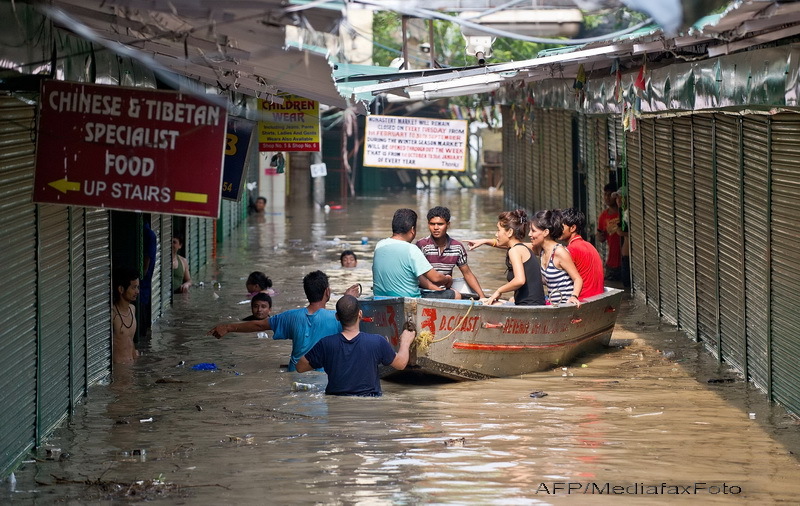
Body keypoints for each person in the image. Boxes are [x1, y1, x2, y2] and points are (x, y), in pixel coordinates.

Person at [208, 271, 360, 371]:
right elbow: (352, 323)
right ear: (327, 292)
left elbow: (259, 324)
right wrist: (348, 300)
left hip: (295, 375)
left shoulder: (291, 316)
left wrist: (227, 327)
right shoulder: (337, 318)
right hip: (323, 378)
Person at [296, 295, 415, 396]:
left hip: (337, 409)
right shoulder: (377, 342)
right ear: (360, 314)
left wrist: (323, 357)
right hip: (369, 405)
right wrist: (405, 341)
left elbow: (300, 367)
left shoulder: (326, 344)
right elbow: (401, 364)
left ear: (337, 317)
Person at [467, 210, 545, 306]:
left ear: (510, 232)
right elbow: (503, 245)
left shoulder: (514, 251)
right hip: (535, 304)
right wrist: (484, 241)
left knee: (488, 303)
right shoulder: (520, 247)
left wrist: (499, 291)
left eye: (499, 230)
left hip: (529, 306)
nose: (496, 234)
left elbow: (520, 280)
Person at [372, 208, 453, 298]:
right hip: (409, 300)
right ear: (412, 230)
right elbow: (436, 278)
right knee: (456, 295)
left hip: (379, 298)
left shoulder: (379, 245)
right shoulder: (411, 249)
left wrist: (435, 288)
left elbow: (417, 275)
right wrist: (447, 279)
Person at [416, 206, 483, 299]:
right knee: (456, 296)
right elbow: (416, 275)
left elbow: (467, 273)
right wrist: (437, 289)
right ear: (428, 224)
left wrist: (482, 297)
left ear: (448, 224)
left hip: (445, 290)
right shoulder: (421, 245)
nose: (435, 228)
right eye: (432, 224)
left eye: (440, 224)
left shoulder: (457, 247)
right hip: (423, 291)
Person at [530, 210, 583, 306]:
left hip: (564, 306)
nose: (529, 234)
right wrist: (495, 243)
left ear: (546, 232)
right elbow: (517, 245)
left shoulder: (559, 252)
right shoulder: (541, 250)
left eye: (533, 231)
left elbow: (577, 279)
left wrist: (574, 296)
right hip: (552, 305)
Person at [560, 208, 604, 300]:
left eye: (561, 226)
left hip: (581, 300)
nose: (557, 229)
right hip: (597, 299)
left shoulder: (571, 250)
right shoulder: (589, 246)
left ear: (572, 228)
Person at [112, 266, 140, 365]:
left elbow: (129, 340)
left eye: (137, 287)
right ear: (121, 289)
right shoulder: (112, 314)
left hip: (131, 366)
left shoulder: (132, 309)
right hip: (119, 369)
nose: (137, 292)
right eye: (133, 288)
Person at [598, 183, 622, 281]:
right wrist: (600, 235)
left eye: (610, 194)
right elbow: (601, 238)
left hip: (624, 260)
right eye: (605, 194)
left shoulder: (622, 214)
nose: (607, 197)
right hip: (611, 264)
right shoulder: (603, 216)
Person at [139, 220, 157, 333]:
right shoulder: (149, 234)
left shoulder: (148, 234)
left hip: (143, 289)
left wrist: (140, 277)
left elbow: (146, 262)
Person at [615, 187, 631, 289]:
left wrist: (621, 233)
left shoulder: (629, 214)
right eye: (617, 198)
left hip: (629, 256)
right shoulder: (624, 214)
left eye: (622, 198)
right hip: (626, 256)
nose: (618, 200)